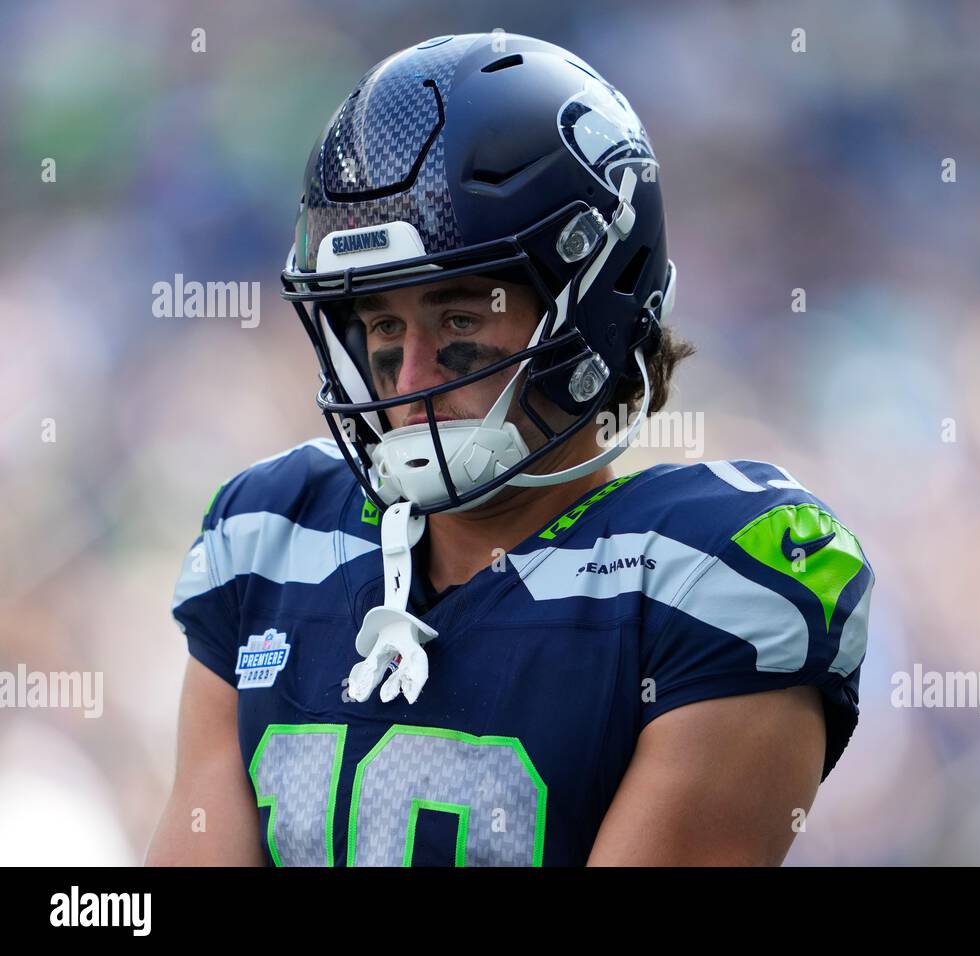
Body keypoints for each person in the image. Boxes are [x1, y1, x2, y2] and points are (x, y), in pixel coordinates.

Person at [147, 32, 873, 867]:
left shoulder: (707, 581)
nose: (410, 376)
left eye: (459, 320)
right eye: (384, 326)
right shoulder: (270, 539)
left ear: (594, 309)